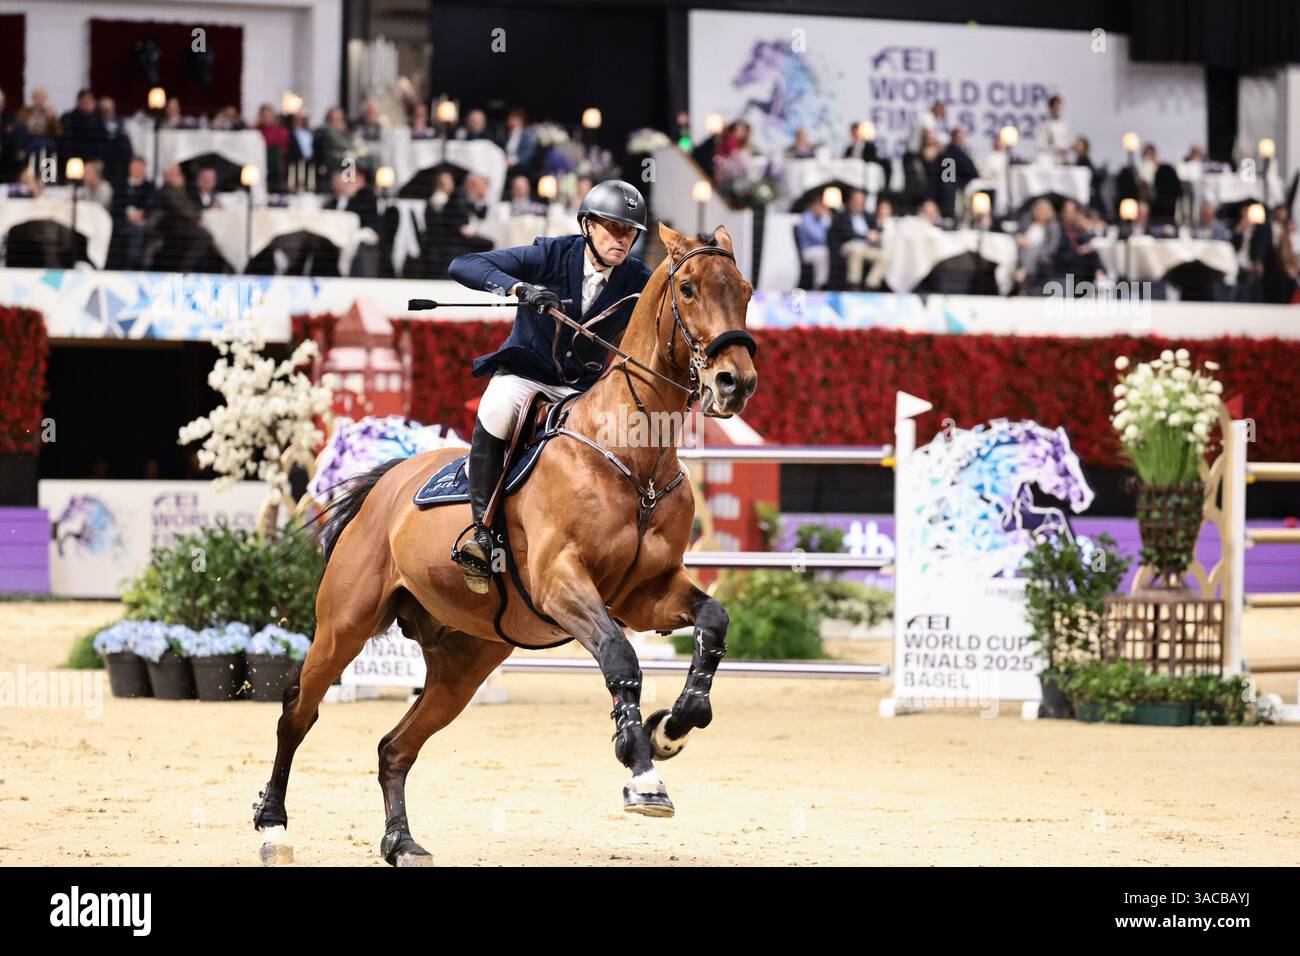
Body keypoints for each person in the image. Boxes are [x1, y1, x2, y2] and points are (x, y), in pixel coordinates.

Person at [446, 180, 653, 591]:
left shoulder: (637, 278)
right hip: (527, 375)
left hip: (584, 391)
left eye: (629, 231)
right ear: (588, 226)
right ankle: (481, 534)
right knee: (498, 409)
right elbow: (463, 265)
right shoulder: (550, 253)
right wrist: (519, 287)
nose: (621, 238)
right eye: (612, 227)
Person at [110, 155, 156, 270]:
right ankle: (129, 268)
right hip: (121, 222)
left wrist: (142, 214)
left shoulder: (149, 187)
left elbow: (152, 205)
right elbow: (115, 205)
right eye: (134, 166)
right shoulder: (119, 184)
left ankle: (137, 268)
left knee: (143, 232)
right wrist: (128, 215)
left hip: (142, 223)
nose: (137, 169)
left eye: (140, 166)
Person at [795, 194, 831, 289]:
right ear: (812, 205)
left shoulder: (821, 219)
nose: (822, 208)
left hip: (821, 248)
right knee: (822, 254)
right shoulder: (806, 218)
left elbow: (831, 235)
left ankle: (831, 284)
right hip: (808, 251)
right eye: (819, 206)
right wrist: (827, 219)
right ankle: (819, 286)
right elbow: (819, 237)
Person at [1035, 95, 1072, 162]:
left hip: (1063, 159)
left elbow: (1068, 142)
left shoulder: (1066, 124)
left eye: (1059, 107)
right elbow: (1040, 144)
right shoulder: (1044, 125)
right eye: (1055, 107)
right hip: (1048, 159)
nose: (1058, 109)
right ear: (1050, 108)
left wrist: (1064, 148)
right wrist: (1053, 148)